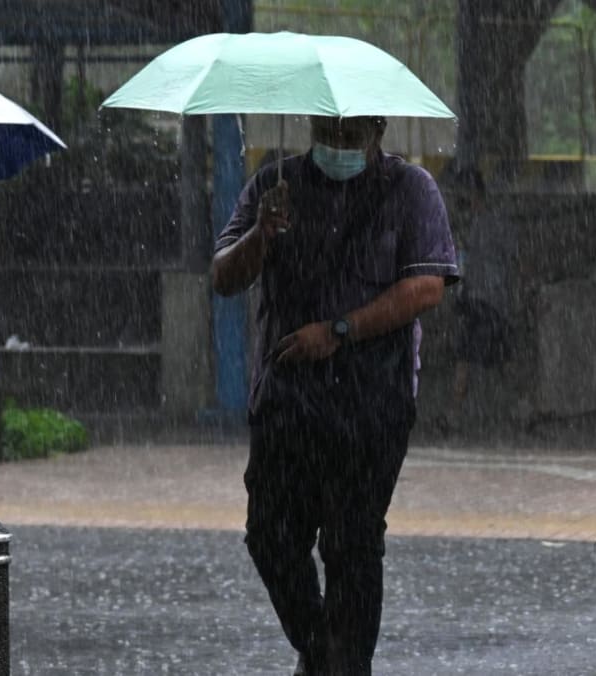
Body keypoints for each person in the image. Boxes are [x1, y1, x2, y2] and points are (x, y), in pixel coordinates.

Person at [212, 115, 458, 675]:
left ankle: (341, 665)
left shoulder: (410, 190)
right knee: (271, 536)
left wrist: (339, 331)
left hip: (373, 404)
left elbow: (426, 286)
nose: (337, 144)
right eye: (328, 131)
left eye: (351, 134)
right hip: (286, 401)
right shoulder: (275, 184)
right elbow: (224, 277)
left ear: (378, 129)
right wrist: (262, 233)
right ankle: (325, 655)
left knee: (352, 545)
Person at [444, 168, 517, 426]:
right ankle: (524, 407)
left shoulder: (493, 223)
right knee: (501, 358)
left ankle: (454, 413)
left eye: (461, 193)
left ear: (473, 193)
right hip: (482, 301)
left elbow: (514, 259)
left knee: (467, 356)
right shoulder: (474, 223)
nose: (458, 198)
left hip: (488, 302)